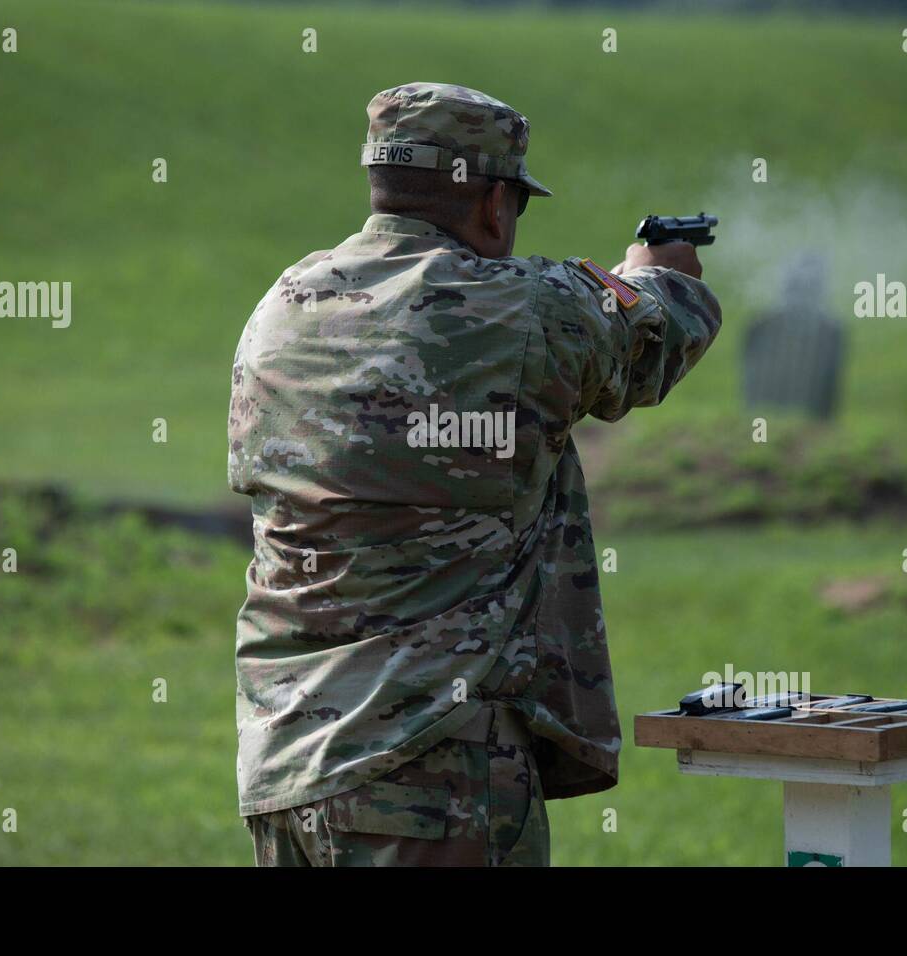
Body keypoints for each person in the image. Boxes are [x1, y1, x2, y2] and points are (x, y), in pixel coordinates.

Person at [229, 82, 722, 866]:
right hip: (434, 771)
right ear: (495, 203)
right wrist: (664, 272)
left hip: (288, 763)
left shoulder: (283, 305)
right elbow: (651, 342)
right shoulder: (522, 309)